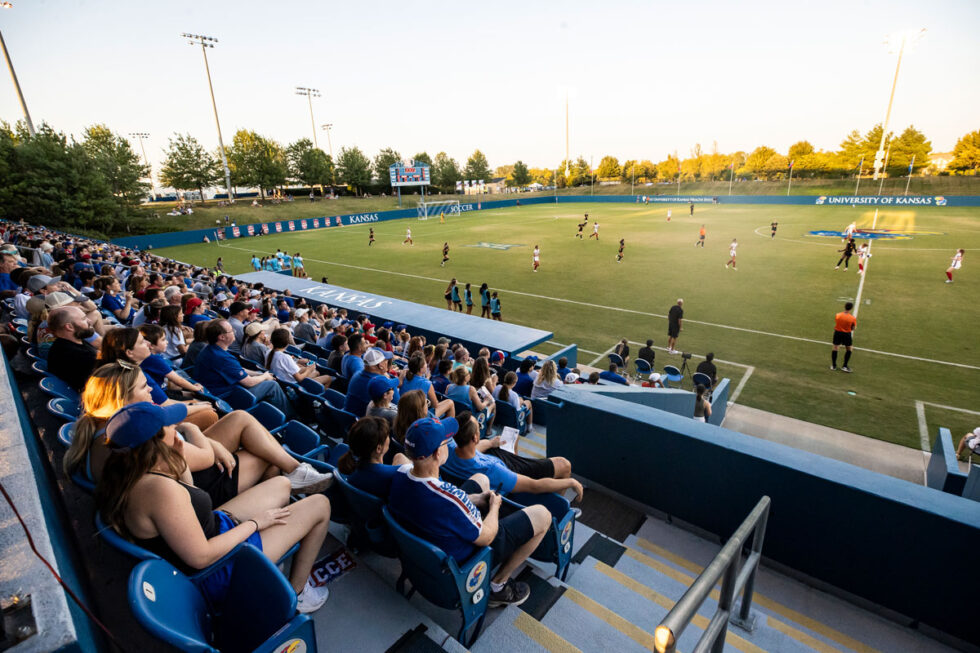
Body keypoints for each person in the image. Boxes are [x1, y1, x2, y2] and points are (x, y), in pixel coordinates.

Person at [96, 402, 332, 612]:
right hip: (217, 568)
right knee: (320, 505)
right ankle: (298, 593)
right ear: (154, 444)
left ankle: (271, 557)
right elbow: (202, 557)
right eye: (168, 425)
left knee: (282, 484)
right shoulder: (158, 490)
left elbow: (189, 498)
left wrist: (178, 464)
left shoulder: (128, 471)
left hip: (212, 528)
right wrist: (256, 523)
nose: (175, 426)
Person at [388, 416, 550, 607]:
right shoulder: (451, 498)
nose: (450, 444)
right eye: (446, 442)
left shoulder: (398, 474)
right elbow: (486, 537)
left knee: (481, 479)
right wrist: (494, 507)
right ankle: (498, 586)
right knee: (543, 515)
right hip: (465, 565)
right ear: (438, 453)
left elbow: (445, 501)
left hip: (424, 550)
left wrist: (475, 499)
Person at [444, 412, 583, 503]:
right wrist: (571, 482)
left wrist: (491, 443)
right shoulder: (492, 470)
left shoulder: (448, 449)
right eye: (479, 426)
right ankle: (558, 507)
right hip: (509, 471)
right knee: (564, 465)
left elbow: (470, 450)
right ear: (475, 438)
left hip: (496, 461)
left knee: (513, 438)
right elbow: (534, 486)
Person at [194, 320, 293, 415]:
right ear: (222, 337)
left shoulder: (210, 350)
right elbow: (249, 382)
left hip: (218, 394)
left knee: (262, 376)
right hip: (227, 399)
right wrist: (265, 376)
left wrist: (259, 374)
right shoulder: (222, 357)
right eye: (231, 330)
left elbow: (238, 370)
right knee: (272, 385)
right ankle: (290, 416)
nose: (235, 332)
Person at [336, 416, 410, 499]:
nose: (389, 438)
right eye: (387, 436)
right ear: (379, 448)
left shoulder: (352, 471)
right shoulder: (395, 473)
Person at [46, 305, 98, 393]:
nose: (89, 321)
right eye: (83, 319)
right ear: (69, 327)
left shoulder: (62, 345)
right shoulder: (81, 356)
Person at [266, 328, 333, 388]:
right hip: (295, 385)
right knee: (328, 378)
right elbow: (300, 379)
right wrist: (309, 369)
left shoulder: (268, 352)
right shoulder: (285, 358)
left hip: (285, 382)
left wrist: (295, 362)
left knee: (316, 372)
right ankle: (315, 395)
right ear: (287, 343)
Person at [344, 348, 401, 418]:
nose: (387, 362)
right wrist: (388, 379)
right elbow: (399, 405)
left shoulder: (357, 374)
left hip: (348, 417)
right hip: (362, 421)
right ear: (380, 365)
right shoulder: (381, 383)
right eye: (386, 360)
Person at [400, 354, 455, 418]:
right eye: (425, 363)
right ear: (421, 369)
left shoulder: (404, 376)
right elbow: (435, 405)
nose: (427, 365)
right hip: (419, 416)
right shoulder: (427, 383)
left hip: (404, 410)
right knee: (450, 402)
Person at [830, 301, 856, 373]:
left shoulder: (838, 315)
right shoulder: (852, 318)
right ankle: (844, 366)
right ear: (851, 308)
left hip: (837, 333)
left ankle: (834, 365)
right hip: (846, 334)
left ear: (845, 307)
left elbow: (837, 322)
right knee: (849, 349)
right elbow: (853, 328)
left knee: (835, 348)